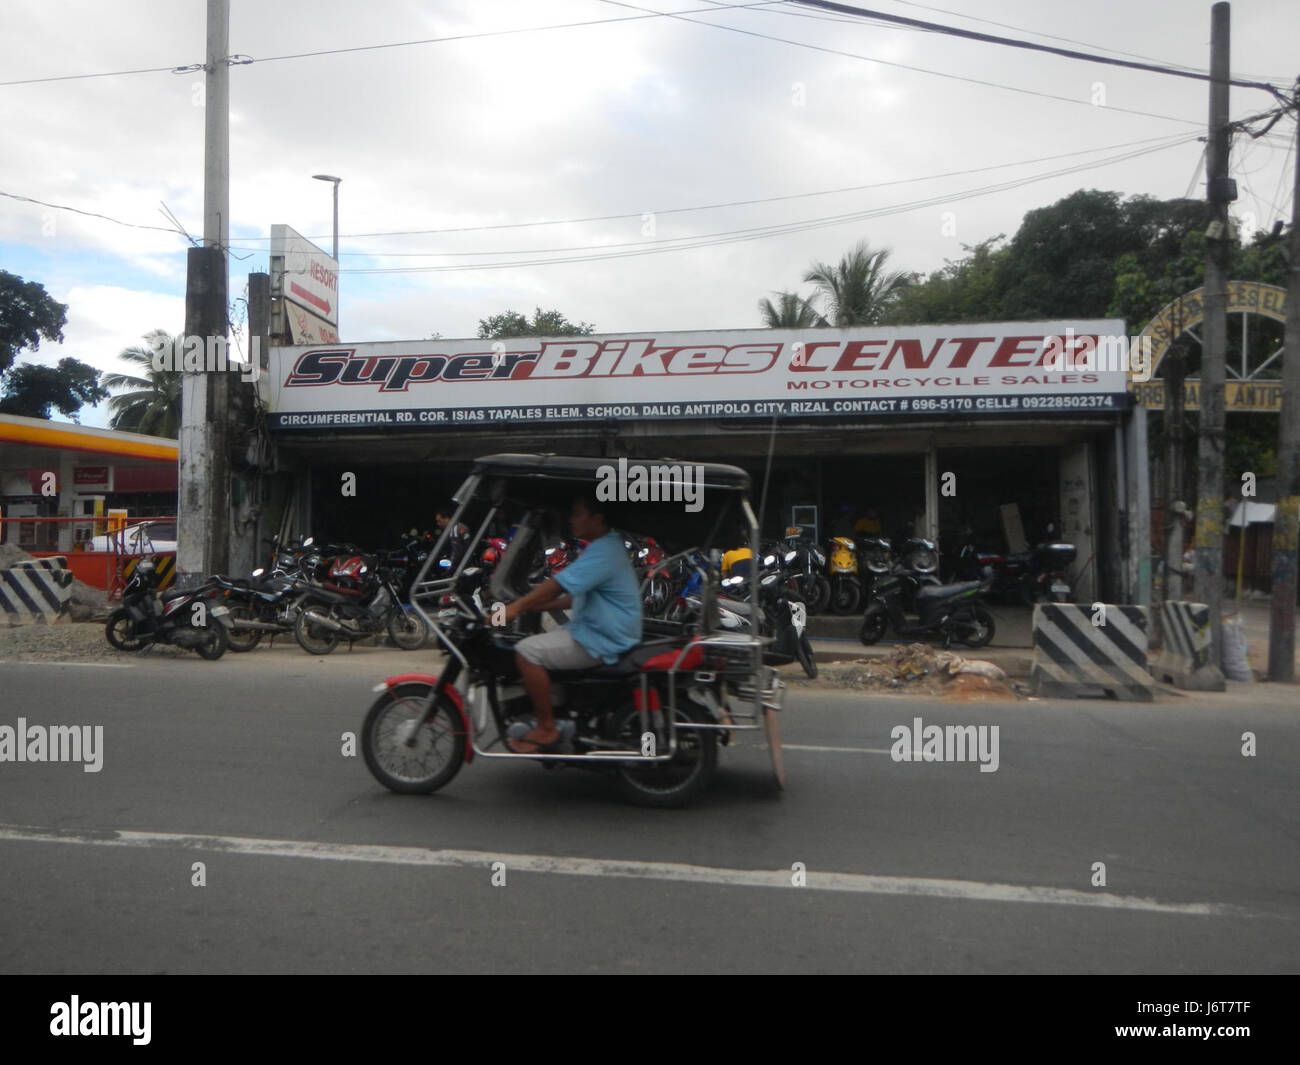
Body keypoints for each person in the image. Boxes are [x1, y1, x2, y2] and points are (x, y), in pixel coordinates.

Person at [501, 495, 642, 753]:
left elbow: (559, 584)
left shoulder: (603, 551)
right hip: (599, 632)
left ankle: (546, 727)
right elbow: (573, 596)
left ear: (597, 519)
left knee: (526, 652)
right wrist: (534, 605)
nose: (572, 519)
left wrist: (515, 608)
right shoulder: (604, 547)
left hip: (600, 639)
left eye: (578, 513)